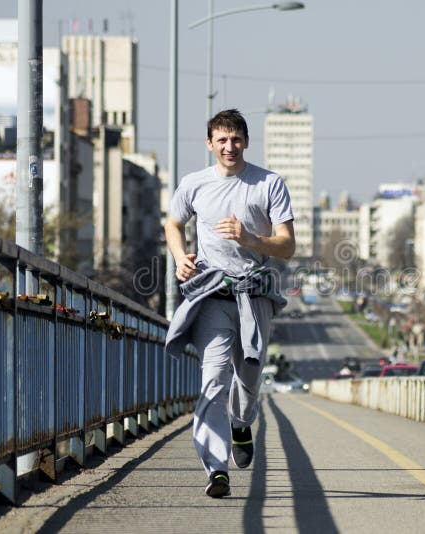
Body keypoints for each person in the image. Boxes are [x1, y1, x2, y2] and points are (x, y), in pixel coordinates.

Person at [164, 109, 295, 499]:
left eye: (236, 139)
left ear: (246, 141)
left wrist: (250, 238)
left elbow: (287, 246)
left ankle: (241, 422)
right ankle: (216, 469)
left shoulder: (268, 183)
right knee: (213, 379)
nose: (229, 146)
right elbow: (173, 223)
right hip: (213, 295)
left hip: (254, 295)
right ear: (210, 143)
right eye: (221, 140)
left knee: (249, 376)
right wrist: (179, 257)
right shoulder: (194, 184)